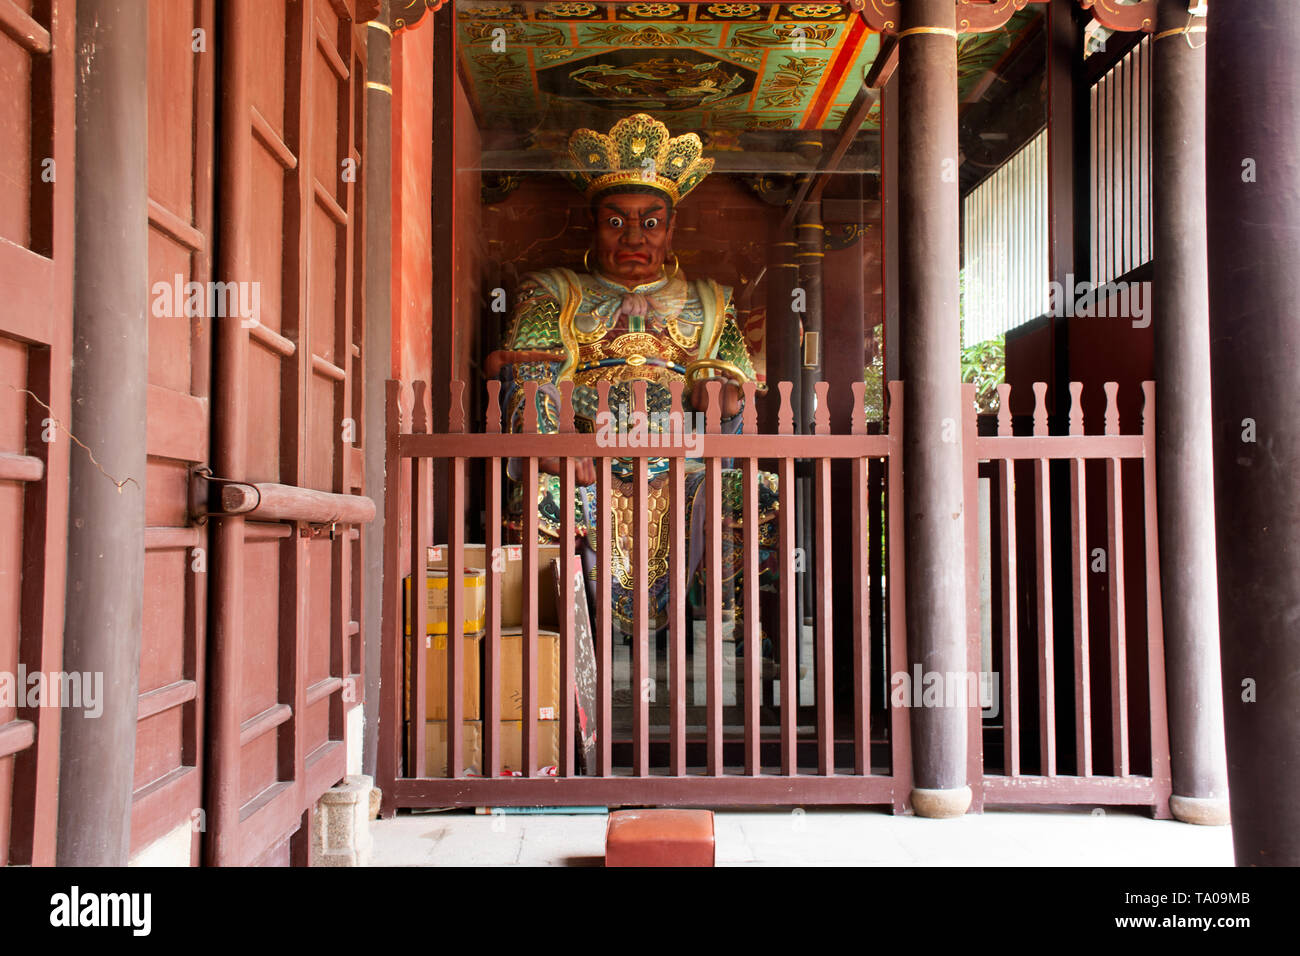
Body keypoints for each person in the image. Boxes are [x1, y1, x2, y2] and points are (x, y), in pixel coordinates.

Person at [492, 113, 779, 645]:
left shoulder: (711, 301)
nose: (633, 236)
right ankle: (556, 637)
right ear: (592, 224)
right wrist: (558, 443)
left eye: (650, 222)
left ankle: (727, 633)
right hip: (586, 452)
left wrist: (722, 391)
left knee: (756, 490)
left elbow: (738, 383)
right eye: (615, 220)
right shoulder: (553, 291)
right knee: (541, 494)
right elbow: (530, 375)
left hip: (685, 458)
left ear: (671, 229)